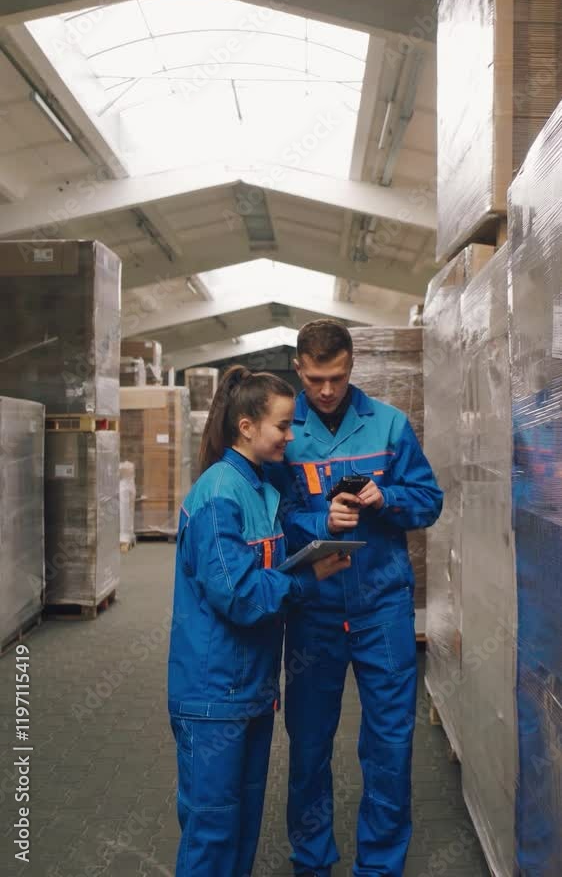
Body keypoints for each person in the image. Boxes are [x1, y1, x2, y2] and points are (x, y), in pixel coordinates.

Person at [270, 320, 443, 877]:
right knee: (310, 743)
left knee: (390, 743)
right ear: (299, 368)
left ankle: (380, 866)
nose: (326, 390)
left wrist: (385, 496)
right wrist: (322, 518)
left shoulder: (389, 424)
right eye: (316, 378)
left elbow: (429, 500)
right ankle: (312, 861)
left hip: (382, 607)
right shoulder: (283, 430)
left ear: (352, 367)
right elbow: (272, 517)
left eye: (337, 377)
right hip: (313, 610)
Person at [167, 364, 350, 877]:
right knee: (212, 828)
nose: (291, 437)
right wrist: (308, 579)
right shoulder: (219, 493)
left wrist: (312, 553)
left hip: (249, 690)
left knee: (243, 822)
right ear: (246, 427)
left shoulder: (260, 490)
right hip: (213, 695)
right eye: (283, 427)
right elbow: (240, 595)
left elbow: (260, 569)